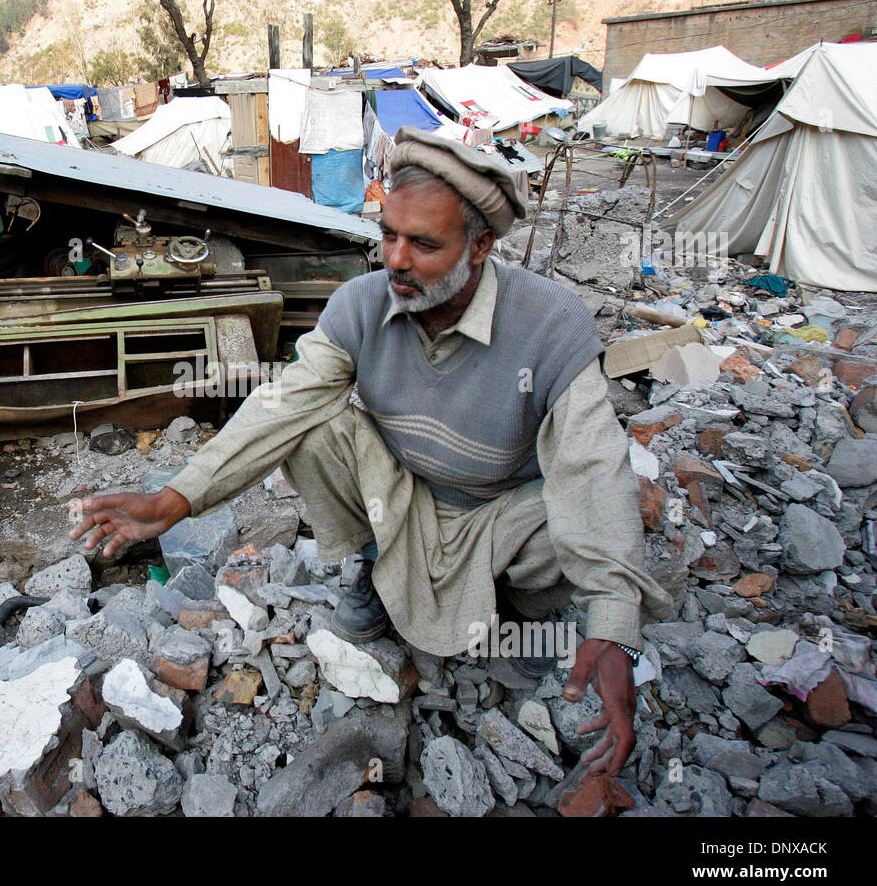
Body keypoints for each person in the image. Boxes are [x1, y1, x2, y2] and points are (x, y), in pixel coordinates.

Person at [70, 126, 673, 777]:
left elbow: (590, 465)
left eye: (425, 244)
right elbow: (283, 403)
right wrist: (175, 498)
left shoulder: (551, 323)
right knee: (310, 426)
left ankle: (519, 614)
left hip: (501, 512)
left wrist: (613, 624)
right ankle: (377, 568)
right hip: (405, 497)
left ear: (482, 245)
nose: (397, 259)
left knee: (575, 511)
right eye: (389, 235)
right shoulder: (360, 304)